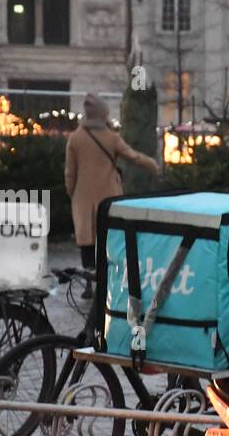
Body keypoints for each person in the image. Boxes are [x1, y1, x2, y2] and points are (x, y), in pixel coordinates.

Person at [64, 93, 159, 295]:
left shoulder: (75, 138)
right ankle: (107, 282)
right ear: (103, 115)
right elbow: (133, 156)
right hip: (109, 197)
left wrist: (72, 192)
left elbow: (70, 172)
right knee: (108, 239)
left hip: (82, 197)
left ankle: (89, 284)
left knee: (87, 242)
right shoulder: (111, 138)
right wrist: (153, 165)